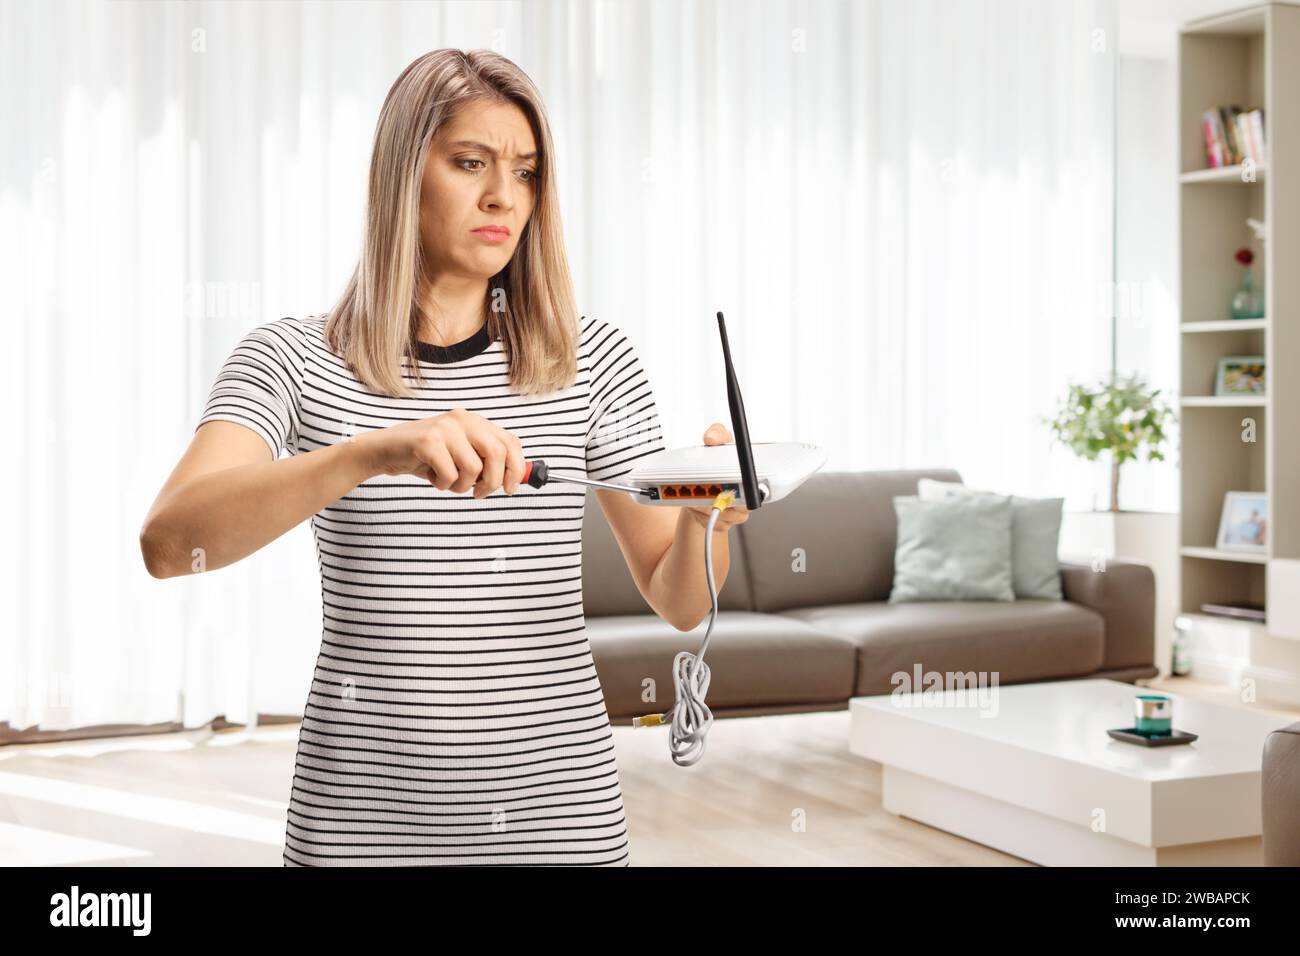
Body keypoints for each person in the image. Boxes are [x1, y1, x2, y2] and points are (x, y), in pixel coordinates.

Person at [139, 48, 748, 866]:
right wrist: (373, 452)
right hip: (357, 825)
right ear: (402, 175)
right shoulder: (290, 360)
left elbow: (677, 602)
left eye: (527, 173)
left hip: (559, 818)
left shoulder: (591, 361)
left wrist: (709, 513)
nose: (504, 195)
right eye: (471, 164)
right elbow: (171, 545)